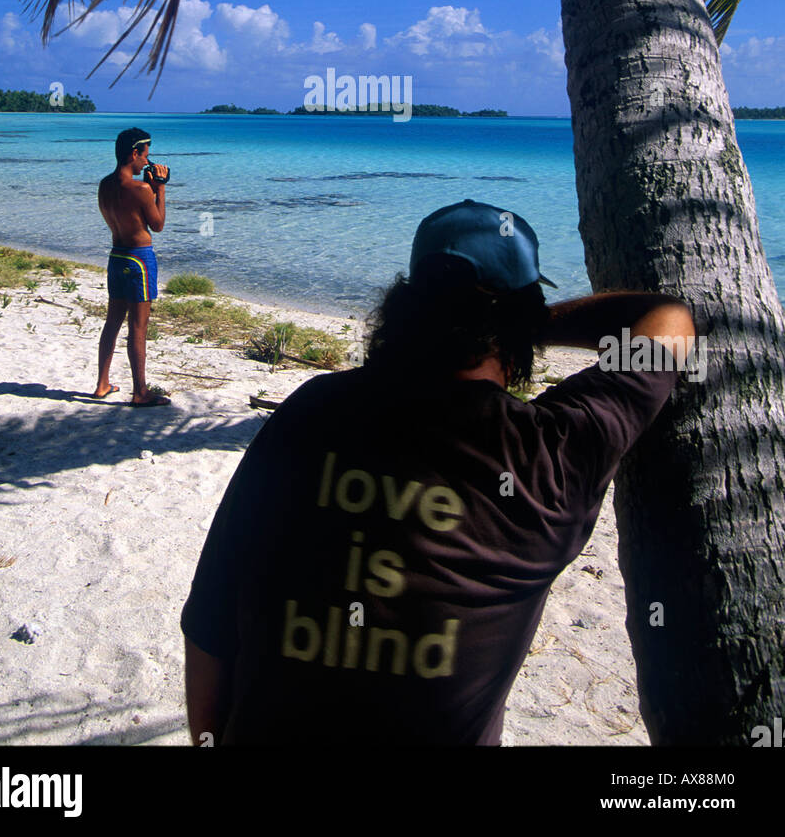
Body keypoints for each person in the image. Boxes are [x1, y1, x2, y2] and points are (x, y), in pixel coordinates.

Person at [181, 198, 697, 744]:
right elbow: (669, 320)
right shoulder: (550, 456)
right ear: (518, 323)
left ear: (405, 306)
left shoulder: (313, 411)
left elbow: (212, 618)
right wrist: (523, 324)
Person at [92, 126, 171, 408]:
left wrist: (150, 188)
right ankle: (140, 392)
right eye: (145, 156)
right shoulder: (139, 189)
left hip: (117, 256)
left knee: (112, 322)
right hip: (139, 258)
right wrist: (159, 188)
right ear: (134, 153)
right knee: (138, 328)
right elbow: (158, 225)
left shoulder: (104, 185)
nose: (147, 162)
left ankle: (102, 383)